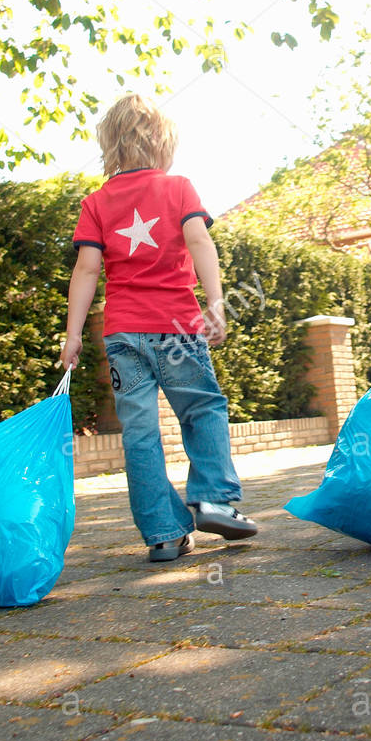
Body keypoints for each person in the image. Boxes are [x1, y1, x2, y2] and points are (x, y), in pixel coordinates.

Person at [59, 93, 257, 561]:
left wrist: (72, 335)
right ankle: (213, 500)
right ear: (162, 142)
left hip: (123, 335)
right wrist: (214, 302)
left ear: (110, 143)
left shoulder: (96, 203)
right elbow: (198, 239)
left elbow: (86, 271)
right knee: (203, 409)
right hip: (177, 328)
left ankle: (163, 534)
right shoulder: (178, 188)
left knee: (140, 432)